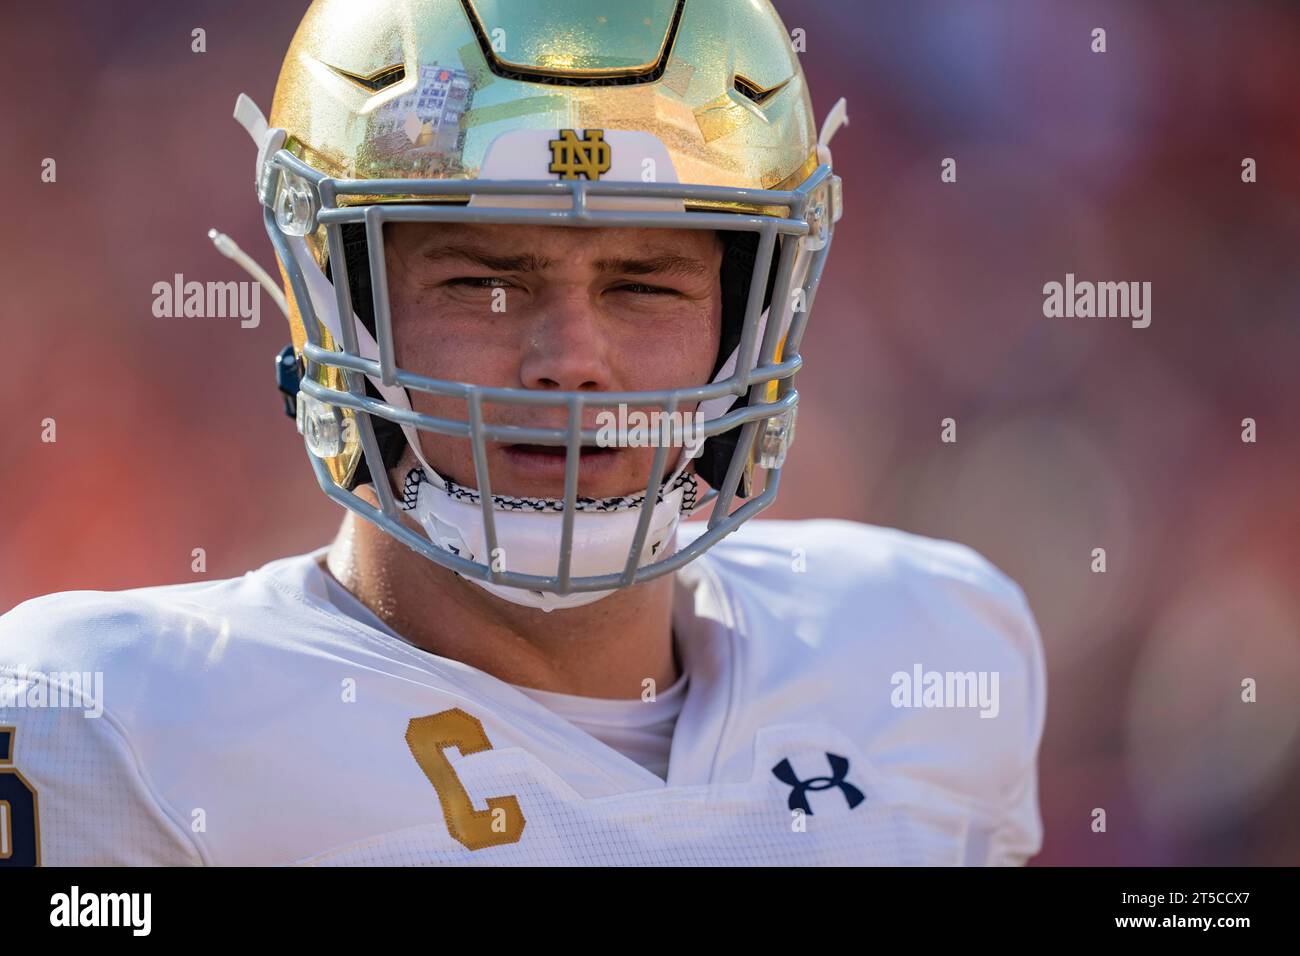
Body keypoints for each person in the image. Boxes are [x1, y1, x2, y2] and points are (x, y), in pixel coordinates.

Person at [0, 0, 1044, 866]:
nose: (571, 356)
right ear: (340, 301)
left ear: (751, 315)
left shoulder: (930, 646)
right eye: (483, 280)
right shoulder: (112, 725)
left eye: (645, 283)